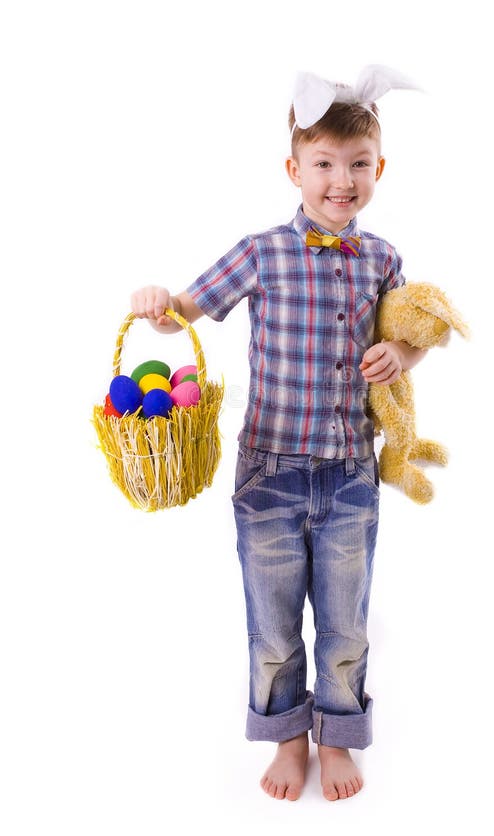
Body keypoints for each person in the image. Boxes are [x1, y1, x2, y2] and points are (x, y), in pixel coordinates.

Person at [131, 66, 427, 802]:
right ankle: (287, 737)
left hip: (351, 472)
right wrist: (158, 302)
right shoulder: (261, 252)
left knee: (344, 622)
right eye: (324, 164)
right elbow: (184, 313)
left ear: (378, 169)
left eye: (358, 165)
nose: (341, 180)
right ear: (294, 169)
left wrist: (404, 354)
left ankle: (340, 734)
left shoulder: (384, 258)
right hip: (269, 471)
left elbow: (412, 330)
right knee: (271, 624)